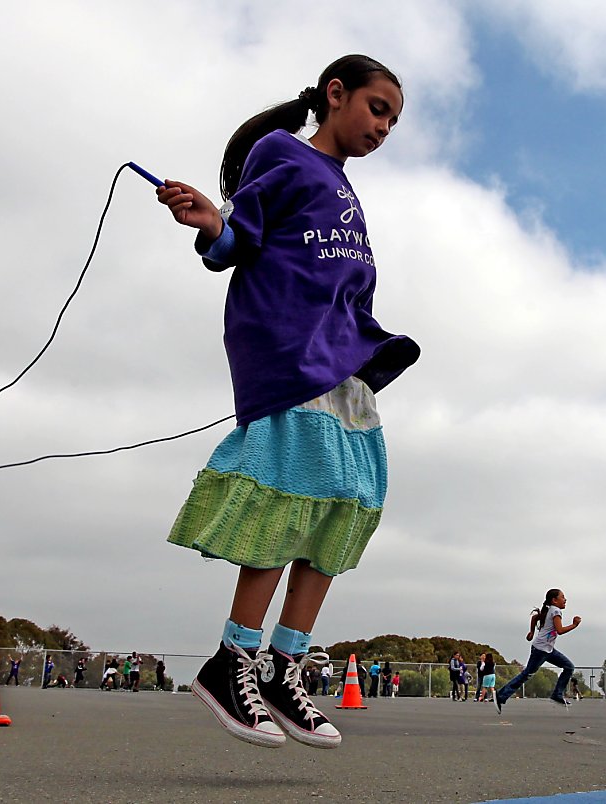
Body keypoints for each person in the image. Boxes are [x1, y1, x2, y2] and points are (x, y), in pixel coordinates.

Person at [157, 54, 418, 750]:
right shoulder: (283, 154)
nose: (385, 126)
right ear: (336, 96)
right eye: (378, 107)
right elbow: (240, 238)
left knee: (351, 501)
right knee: (292, 491)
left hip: (343, 363)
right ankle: (233, 658)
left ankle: (283, 665)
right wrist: (213, 224)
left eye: (394, 118)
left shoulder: (343, 188)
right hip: (291, 353)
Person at [494, 588, 581, 713]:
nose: (565, 599)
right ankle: (500, 696)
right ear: (554, 600)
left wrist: (531, 632)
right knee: (526, 675)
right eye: (562, 597)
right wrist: (574, 625)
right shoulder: (555, 611)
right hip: (541, 650)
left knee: (569, 667)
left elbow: (535, 617)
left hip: (547, 649)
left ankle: (557, 694)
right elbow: (560, 630)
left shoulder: (550, 610)